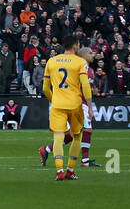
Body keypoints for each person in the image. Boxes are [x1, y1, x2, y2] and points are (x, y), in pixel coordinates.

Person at [39, 38, 95, 180]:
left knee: (58, 136)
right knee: (77, 136)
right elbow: (86, 86)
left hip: (58, 105)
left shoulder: (51, 61)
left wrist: (54, 99)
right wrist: (89, 107)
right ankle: (70, 170)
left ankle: (59, 171)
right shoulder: (80, 62)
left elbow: (45, 88)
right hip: (75, 105)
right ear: (75, 46)